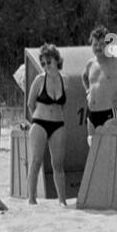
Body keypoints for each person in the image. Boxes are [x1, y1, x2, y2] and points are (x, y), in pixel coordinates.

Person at [27, 43, 68, 206]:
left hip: (58, 124)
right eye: (43, 63)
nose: (46, 66)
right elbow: (30, 104)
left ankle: (62, 200)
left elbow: (63, 105)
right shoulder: (39, 79)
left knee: (58, 164)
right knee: (36, 161)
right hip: (39, 122)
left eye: (49, 62)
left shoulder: (65, 80)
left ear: (57, 60)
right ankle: (31, 199)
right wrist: (35, 122)